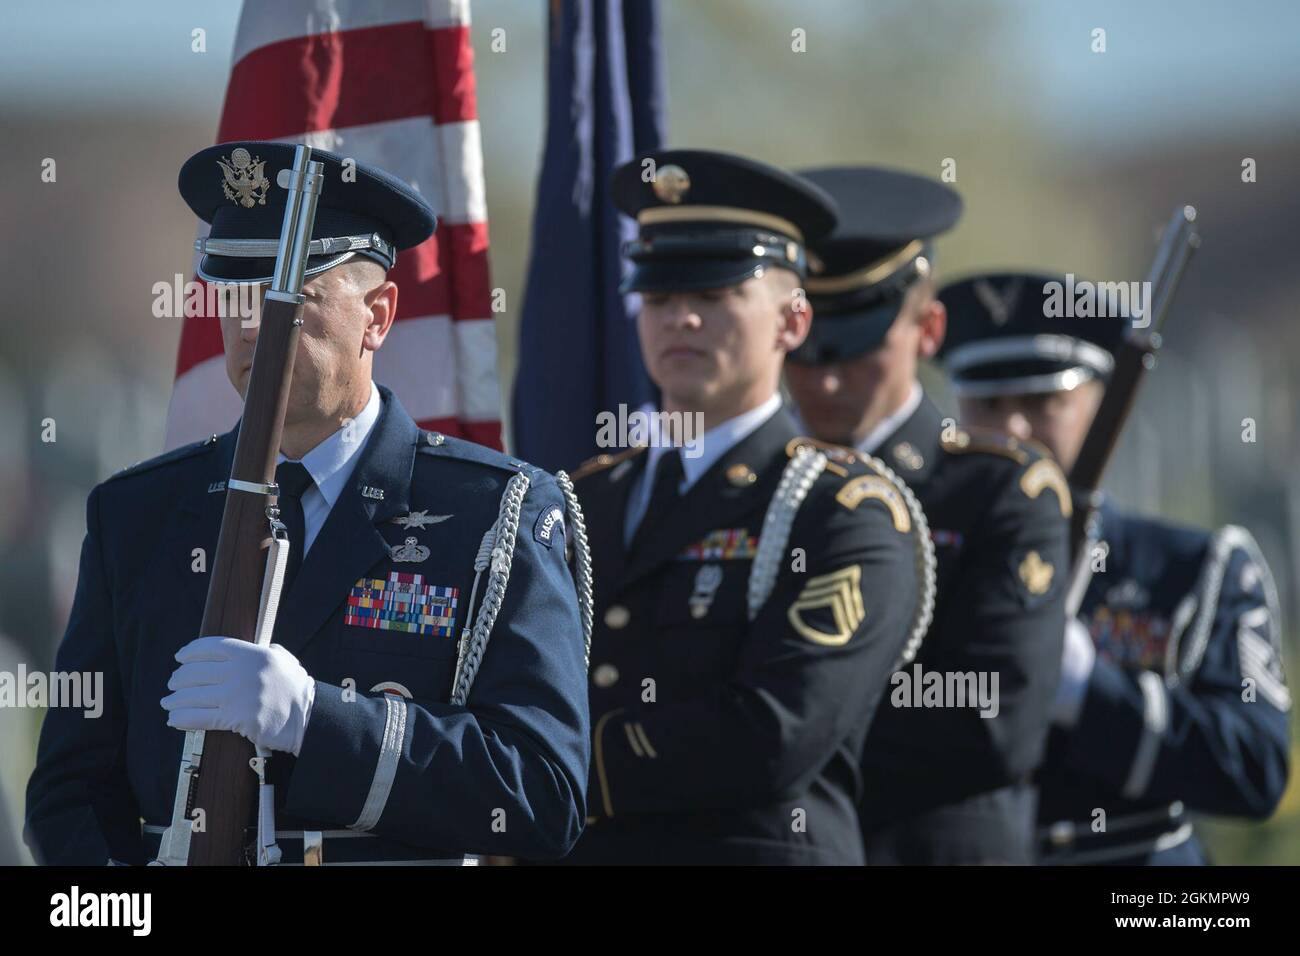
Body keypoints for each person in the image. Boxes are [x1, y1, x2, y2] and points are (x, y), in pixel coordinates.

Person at [25, 141, 592, 866]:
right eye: (235, 295)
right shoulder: (138, 516)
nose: (255, 325)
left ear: (378, 316)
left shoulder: (492, 514)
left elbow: (542, 795)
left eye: (292, 297)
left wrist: (317, 721)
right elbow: (70, 795)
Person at [557, 150, 933, 865]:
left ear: (793, 323)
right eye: (661, 297)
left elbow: (773, 736)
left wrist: (545, 762)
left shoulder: (843, 511)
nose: (683, 319)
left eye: (718, 294)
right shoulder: (586, 497)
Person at [939, 271, 1292, 864]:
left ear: (1105, 404)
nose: (1013, 429)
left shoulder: (1194, 569)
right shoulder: (925, 563)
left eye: (1041, 401)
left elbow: (1254, 766)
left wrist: (1085, 688)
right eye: (988, 404)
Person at [784, 167, 1069, 864]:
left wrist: (772, 739)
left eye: (857, 347)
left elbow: (994, 719)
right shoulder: (766, 487)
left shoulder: (1000, 490)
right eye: (809, 348)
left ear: (929, 328)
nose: (825, 378)